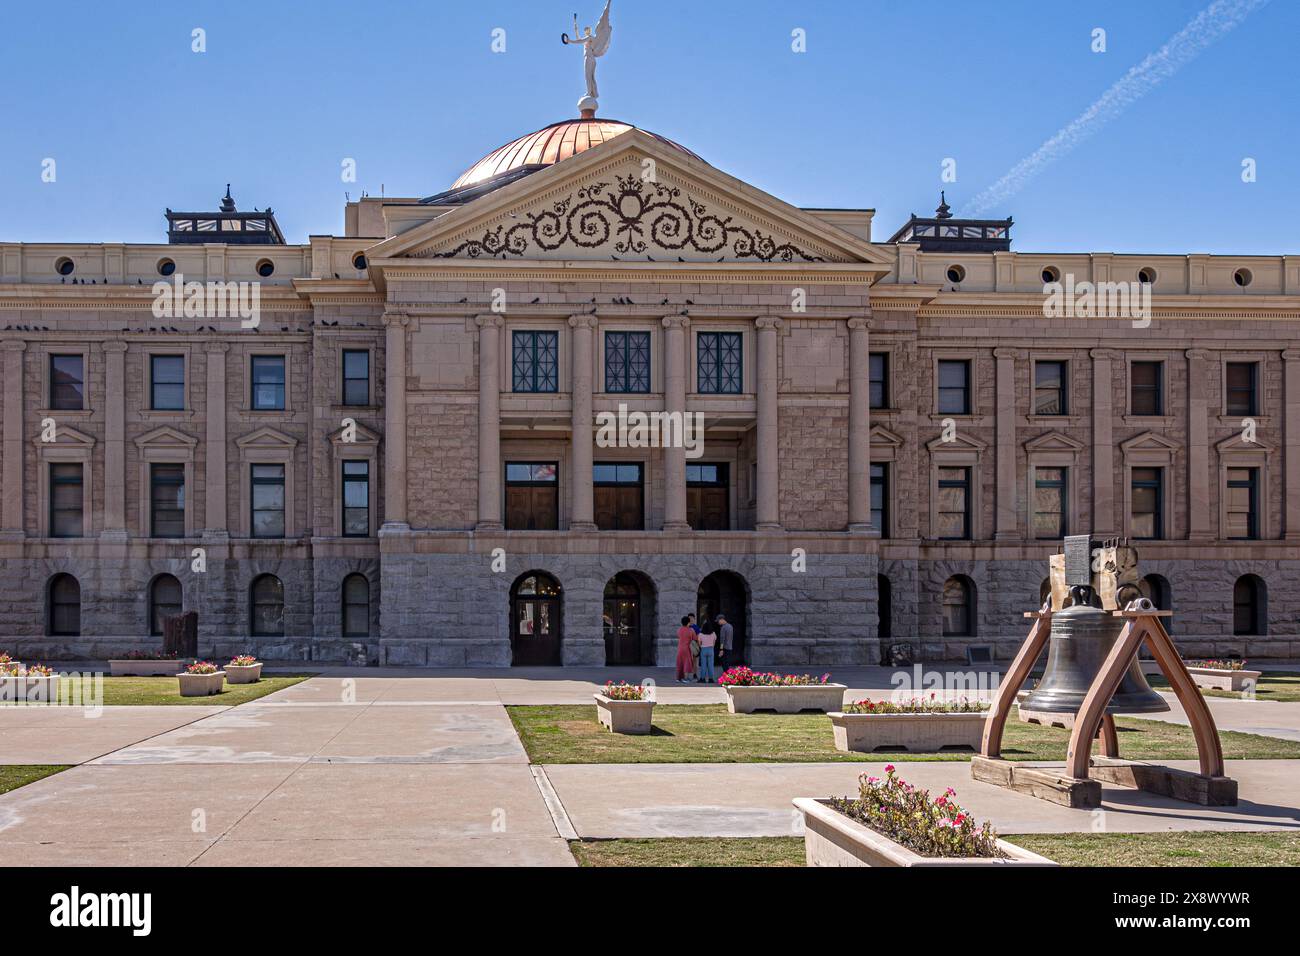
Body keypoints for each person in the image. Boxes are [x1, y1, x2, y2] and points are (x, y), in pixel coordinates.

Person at [675, 615, 697, 684]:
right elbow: (695, 638)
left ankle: (678, 678)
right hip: (687, 649)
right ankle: (685, 678)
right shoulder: (691, 630)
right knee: (686, 663)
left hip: (680, 648)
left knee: (680, 663)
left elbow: (678, 636)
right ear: (688, 622)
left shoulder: (679, 630)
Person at [696, 619, 717, 683]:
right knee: (710, 665)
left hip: (703, 649)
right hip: (711, 649)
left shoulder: (700, 634)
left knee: (703, 665)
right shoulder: (713, 633)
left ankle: (702, 678)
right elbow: (714, 643)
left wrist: (702, 646)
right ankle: (711, 679)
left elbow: (699, 643)